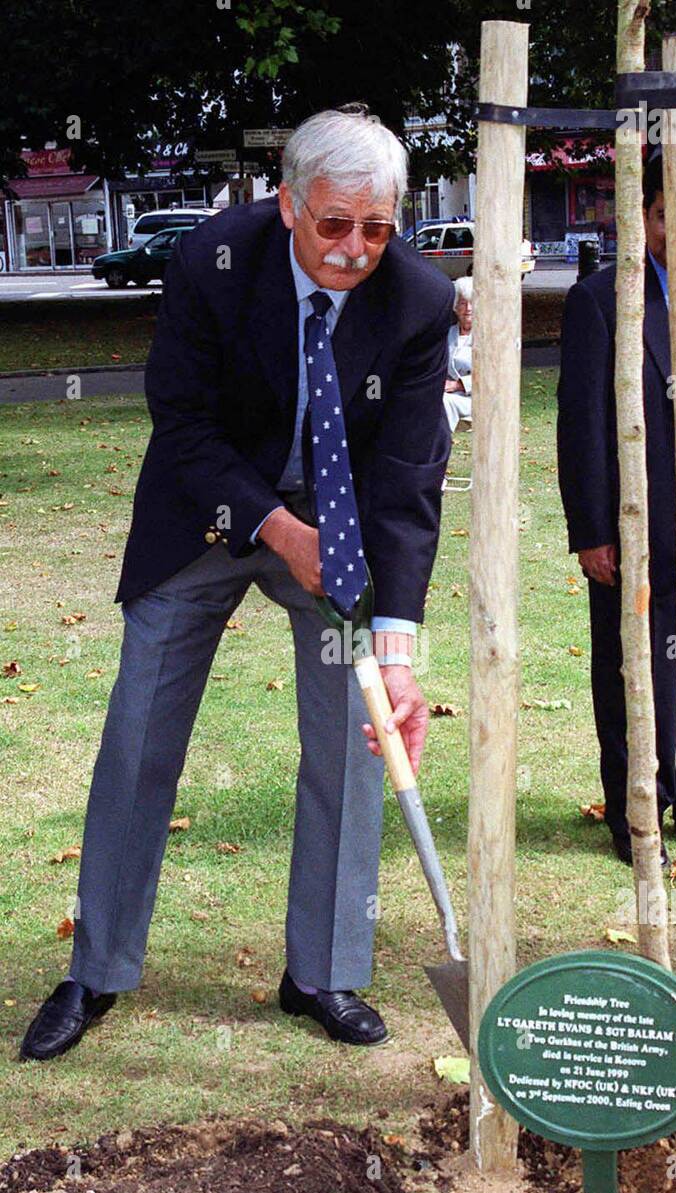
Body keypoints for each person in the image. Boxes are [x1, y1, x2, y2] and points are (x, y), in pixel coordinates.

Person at [20, 109, 454, 1061]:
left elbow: (408, 478)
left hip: (337, 531)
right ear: (289, 203)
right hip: (210, 518)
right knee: (139, 737)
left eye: (376, 228)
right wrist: (274, 527)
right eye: (334, 224)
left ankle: (323, 972)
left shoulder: (417, 301)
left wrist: (394, 645)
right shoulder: (213, 262)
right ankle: (96, 969)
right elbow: (181, 425)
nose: (353, 250)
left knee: (351, 742)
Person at [557, 152, 676, 866]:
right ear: (640, 217)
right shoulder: (602, 300)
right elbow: (581, 424)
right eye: (669, 215)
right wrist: (592, 532)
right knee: (631, 672)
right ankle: (638, 811)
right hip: (636, 530)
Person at [443, 276, 473, 432]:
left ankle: (439, 448)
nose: (468, 308)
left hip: (477, 399)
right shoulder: (448, 334)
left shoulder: (488, 338)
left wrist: (457, 385)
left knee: (443, 401)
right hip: (449, 395)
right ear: (455, 307)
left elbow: (495, 376)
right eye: (463, 303)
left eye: (472, 303)